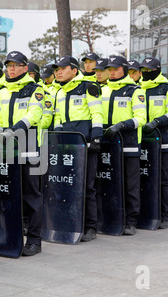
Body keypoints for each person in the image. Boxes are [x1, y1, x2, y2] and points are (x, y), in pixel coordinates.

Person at [0, 51, 45, 256]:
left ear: (25, 68)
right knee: (9, 194)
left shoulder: (36, 89)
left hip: (29, 146)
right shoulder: (3, 91)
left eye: (15, 65)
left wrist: (15, 129)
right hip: (6, 148)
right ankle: (10, 237)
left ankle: (34, 240)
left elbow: (35, 113)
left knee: (31, 196)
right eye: (9, 65)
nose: (11, 69)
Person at [52, 55, 104, 242]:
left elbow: (97, 113)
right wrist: (57, 136)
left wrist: (97, 137)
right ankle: (70, 223)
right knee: (67, 185)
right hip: (66, 146)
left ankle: (90, 226)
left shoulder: (88, 88)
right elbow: (58, 117)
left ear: (74, 70)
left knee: (87, 187)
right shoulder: (60, 92)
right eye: (56, 69)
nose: (58, 71)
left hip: (85, 145)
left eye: (62, 68)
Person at [102, 55, 146, 235]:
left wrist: (122, 125)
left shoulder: (135, 91)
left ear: (124, 69)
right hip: (107, 146)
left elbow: (141, 117)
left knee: (130, 185)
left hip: (128, 146)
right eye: (109, 69)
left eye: (115, 68)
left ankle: (131, 221)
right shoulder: (102, 90)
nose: (111, 72)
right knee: (107, 184)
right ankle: (109, 219)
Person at [140, 57, 168, 229]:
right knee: (144, 178)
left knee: (163, 178)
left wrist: (158, 121)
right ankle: (148, 212)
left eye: (150, 70)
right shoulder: (139, 88)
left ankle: (166, 214)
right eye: (144, 70)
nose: (146, 73)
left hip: (162, 141)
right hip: (143, 141)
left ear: (158, 70)